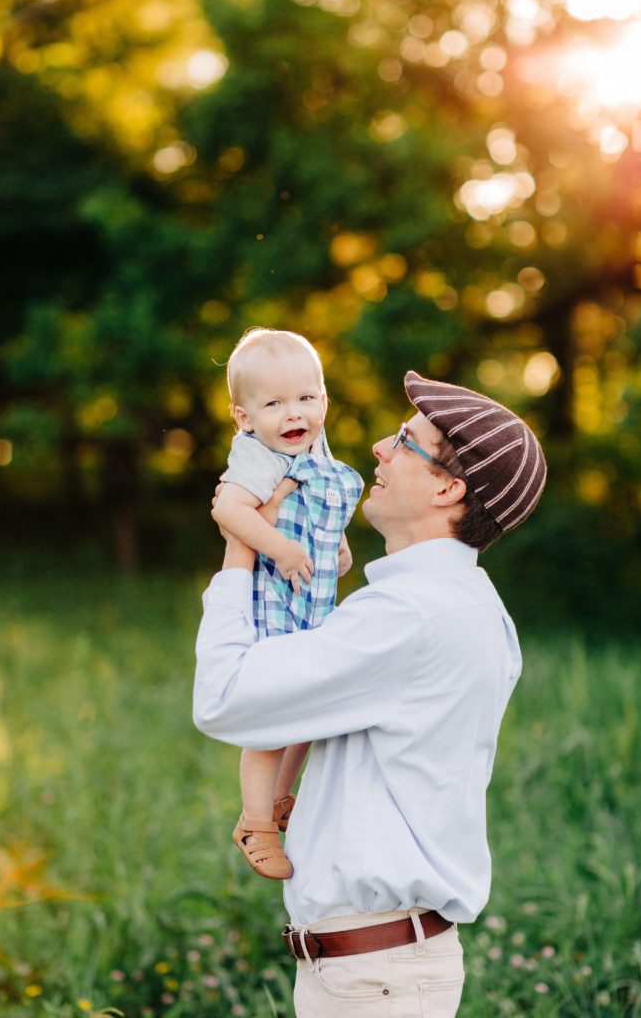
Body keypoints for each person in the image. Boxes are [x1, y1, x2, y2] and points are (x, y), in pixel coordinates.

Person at [194, 370, 546, 1018]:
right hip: (378, 970)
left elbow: (224, 697)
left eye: (405, 442)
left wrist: (240, 547)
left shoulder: (409, 614)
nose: (380, 449)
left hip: (375, 981)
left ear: (448, 486)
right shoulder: (457, 603)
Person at [210, 327, 363, 880]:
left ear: (324, 401)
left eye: (305, 398)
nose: (292, 413)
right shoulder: (257, 456)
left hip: (309, 609)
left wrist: (336, 549)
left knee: (309, 715)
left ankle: (278, 800)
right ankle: (255, 820)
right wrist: (278, 546)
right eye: (273, 404)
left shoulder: (313, 451)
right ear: (244, 418)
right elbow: (229, 510)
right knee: (273, 718)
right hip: (269, 608)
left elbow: (323, 513)